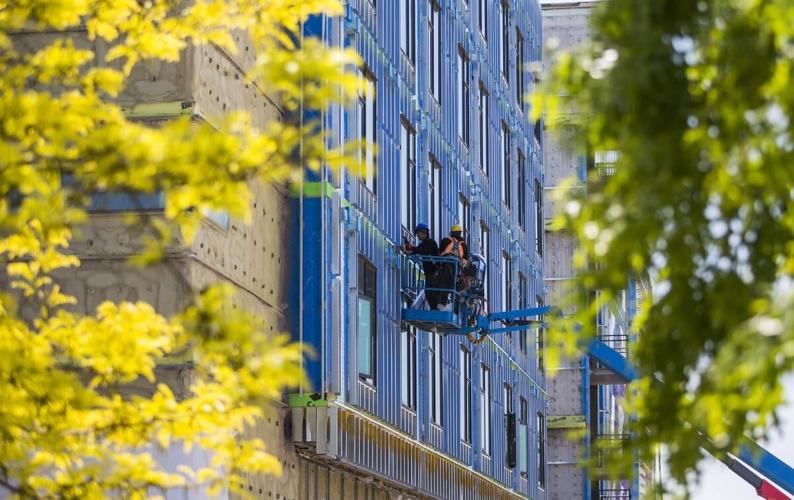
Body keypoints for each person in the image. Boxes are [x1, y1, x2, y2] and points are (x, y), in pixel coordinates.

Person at [404, 223, 442, 309]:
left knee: (431, 294)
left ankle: (435, 310)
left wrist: (412, 249)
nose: (417, 236)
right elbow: (417, 250)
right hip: (429, 273)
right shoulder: (424, 244)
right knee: (429, 294)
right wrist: (408, 246)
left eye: (418, 234)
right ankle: (434, 310)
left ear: (424, 232)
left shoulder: (431, 243)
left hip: (434, 273)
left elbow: (422, 251)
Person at [435, 224, 470, 309]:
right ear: (460, 233)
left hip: (444, 266)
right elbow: (466, 259)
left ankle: (440, 302)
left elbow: (440, 252)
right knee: (450, 285)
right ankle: (444, 303)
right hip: (456, 268)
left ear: (452, 232)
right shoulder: (464, 245)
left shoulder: (446, 240)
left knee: (442, 283)